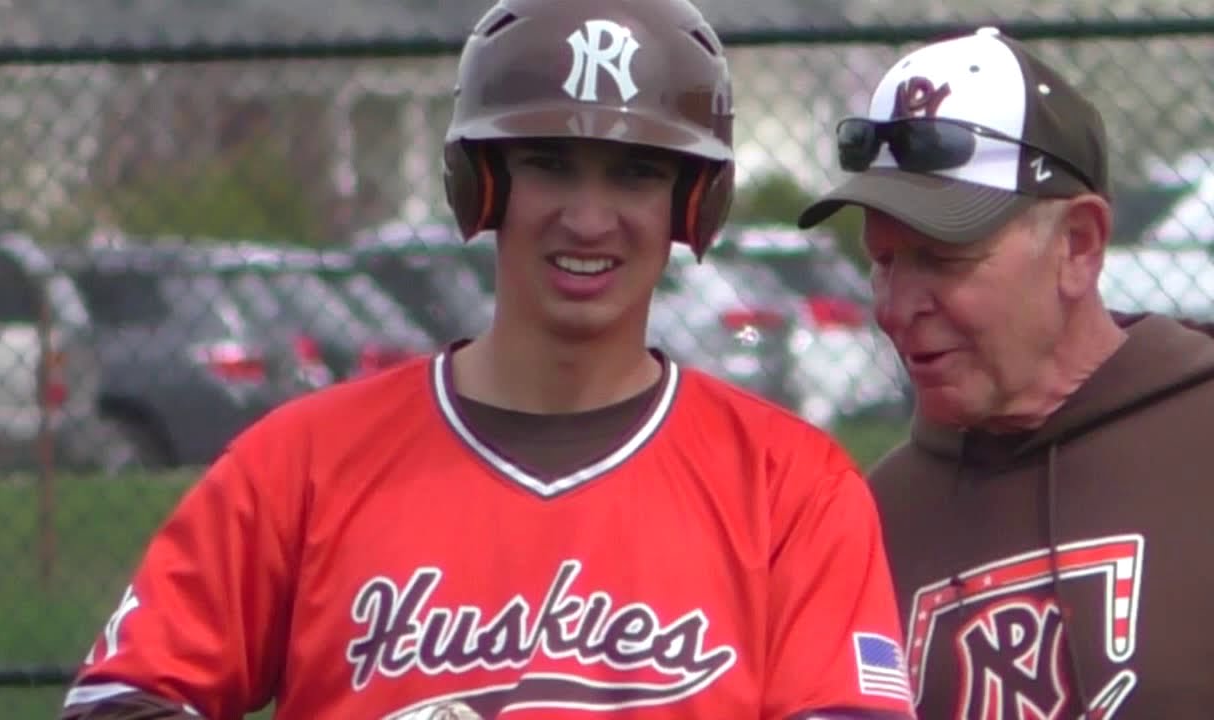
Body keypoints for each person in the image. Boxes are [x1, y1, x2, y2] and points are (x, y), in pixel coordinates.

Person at [60, 1, 916, 718]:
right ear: (483, 184)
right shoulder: (302, 463)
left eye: (633, 174)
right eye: (549, 164)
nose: (588, 219)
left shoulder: (790, 489)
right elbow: (120, 698)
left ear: (693, 201)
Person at [799, 26, 1214, 719]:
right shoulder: (871, 518)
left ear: (1078, 246)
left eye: (943, 259)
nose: (896, 309)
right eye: (884, 261)